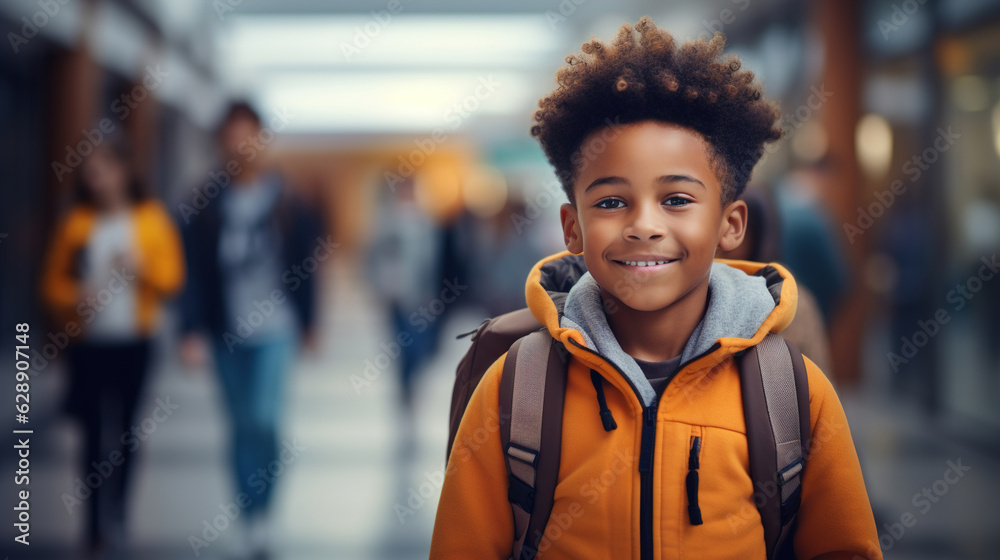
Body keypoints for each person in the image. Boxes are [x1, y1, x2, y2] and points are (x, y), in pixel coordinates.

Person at [430, 18, 881, 560]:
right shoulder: (517, 388)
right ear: (572, 228)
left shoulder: (790, 391)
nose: (644, 225)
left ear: (730, 225)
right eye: (612, 202)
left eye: (677, 199)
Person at [177, 101, 321, 559]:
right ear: (221, 141)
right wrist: (190, 329)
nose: (241, 144)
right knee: (239, 426)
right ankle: (248, 513)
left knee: (265, 419)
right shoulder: (204, 202)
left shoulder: (286, 199)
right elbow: (193, 272)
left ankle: (266, 511)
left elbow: (306, 264)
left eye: (249, 134)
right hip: (225, 331)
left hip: (276, 327)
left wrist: (311, 322)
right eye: (232, 135)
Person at [40, 134, 185, 558]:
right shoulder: (76, 223)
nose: (96, 177)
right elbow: (50, 283)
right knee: (89, 432)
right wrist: (73, 297)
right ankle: (91, 523)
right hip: (88, 343)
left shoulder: (151, 219)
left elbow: (173, 279)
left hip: (134, 341)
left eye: (104, 167)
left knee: (124, 431)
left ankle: (119, 514)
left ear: (124, 172)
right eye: (90, 170)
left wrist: (143, 268)